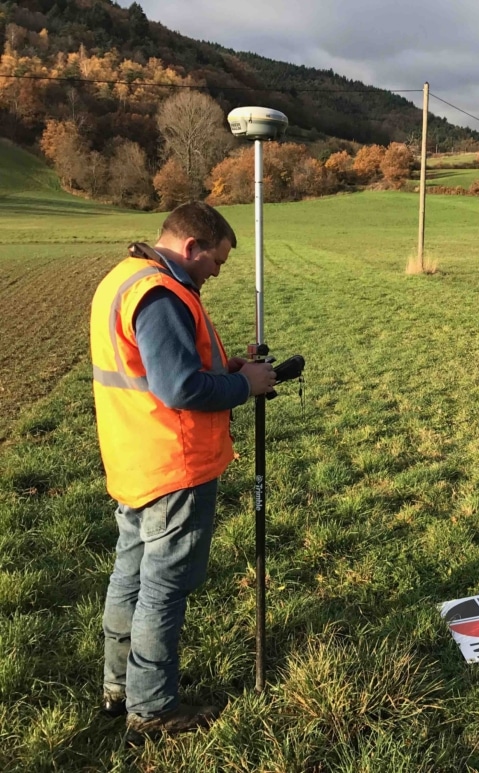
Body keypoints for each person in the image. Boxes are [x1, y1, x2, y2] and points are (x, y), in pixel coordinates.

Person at [90, 202, 276, 742]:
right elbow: (180, 388)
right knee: (163, 588)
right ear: (191, 247)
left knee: (130, 575)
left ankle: (118, 687)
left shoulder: (123, 278)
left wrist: (230, 368)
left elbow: (162, 368)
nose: (213, 275)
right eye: (213, 264)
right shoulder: (162, 294)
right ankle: (151, 710)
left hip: (134, 457)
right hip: (174, 463)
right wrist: (246, 386)